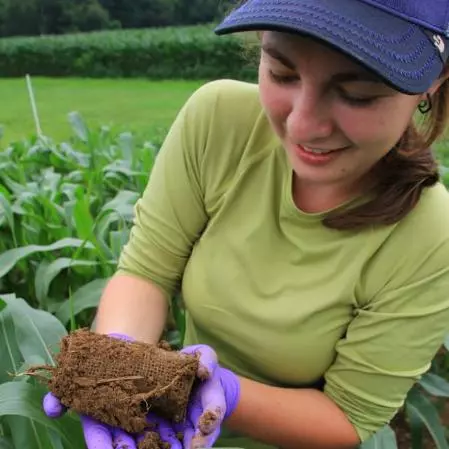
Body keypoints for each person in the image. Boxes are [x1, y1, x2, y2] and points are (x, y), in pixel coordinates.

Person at [43, 0, 449, 448]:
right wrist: (118, 364)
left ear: (432, 83)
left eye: (358, 94)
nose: (303, 124)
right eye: (282, 73)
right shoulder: (218, 122)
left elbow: (348, 417)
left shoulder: (431, 234)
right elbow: (146, 272)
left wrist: (228, 394)